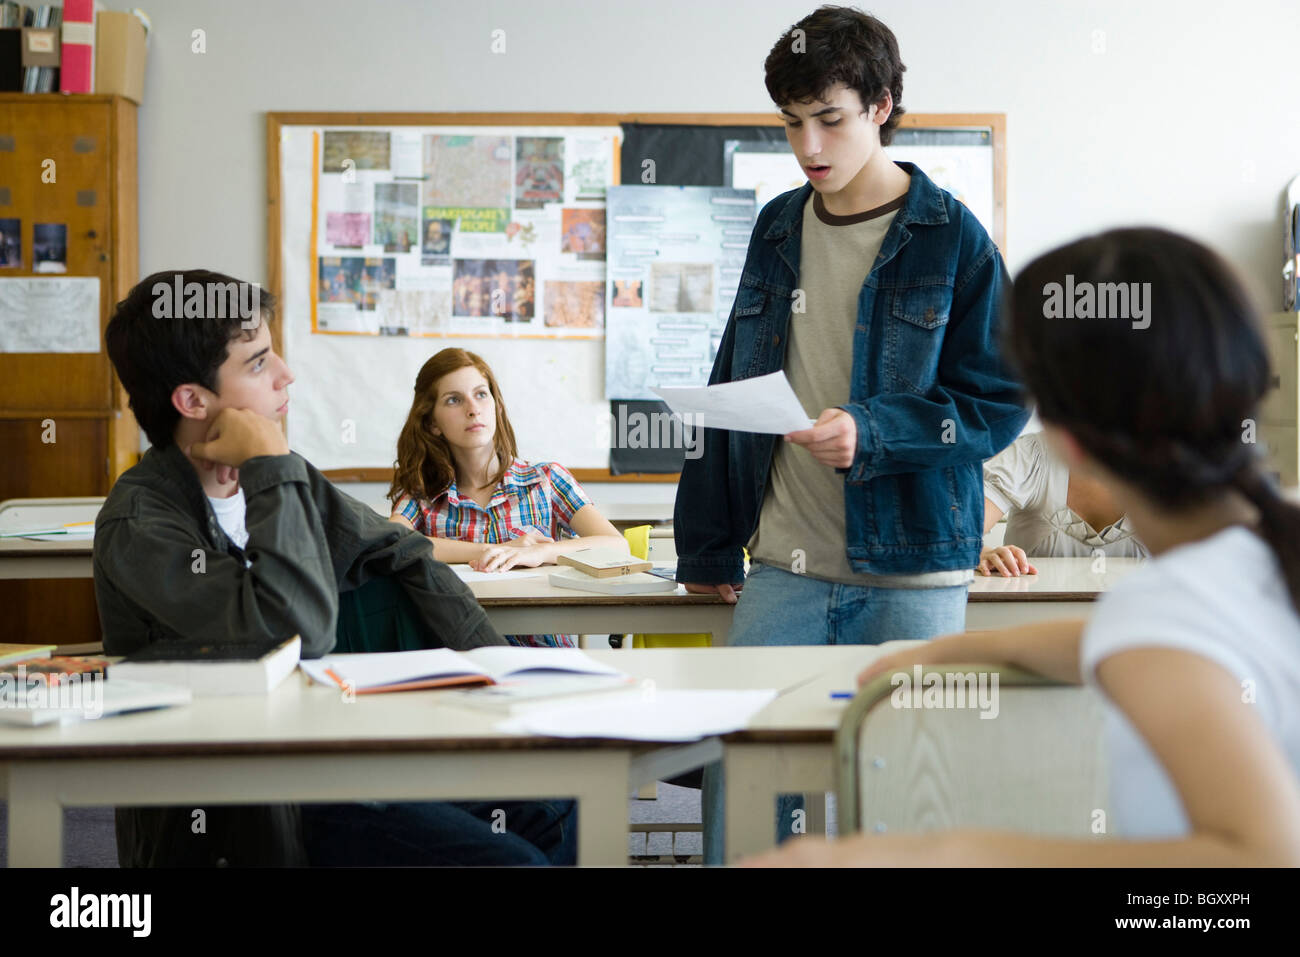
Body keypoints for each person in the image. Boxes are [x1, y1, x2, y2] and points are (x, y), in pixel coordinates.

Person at [747, 227, 1300, 867]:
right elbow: (1126, 644)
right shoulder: (1250, 559)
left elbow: (1256, 861)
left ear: (1062, 436)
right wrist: (952, 650)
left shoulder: (1165, 612)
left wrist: (924, 856)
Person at [671, 5, 1030, 863]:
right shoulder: (775, 225)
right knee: (745, 808)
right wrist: (710, 546)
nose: (808, 146)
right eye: (792, 123)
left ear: (883, 105)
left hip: (912, 569)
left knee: (907, 806)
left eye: (829, 118)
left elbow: (1000, 397)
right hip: (784, 568)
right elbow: (734, 381)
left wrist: (874, 432)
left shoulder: (953, 238)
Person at [96, 270, 575, 866]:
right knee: (512, 862)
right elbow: (295, 628)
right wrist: (269, 464)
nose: (286, 374)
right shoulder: (142, 521)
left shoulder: (286, 473)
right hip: (239, 799)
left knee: (556, 797)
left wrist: (503, 676)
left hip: (327, 748)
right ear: (193, 401)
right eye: (258, 362)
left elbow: (406, 554)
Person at [388, 347, 627, 648]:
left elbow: (617, 545)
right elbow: (394, 545)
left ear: (497, 406)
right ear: (433, 423)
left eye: (481, 394)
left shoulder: (547, 479)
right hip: (461, 659)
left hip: (544, 658)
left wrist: (538, 553)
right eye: (454, 400)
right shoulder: (423, 495)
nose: (473, 409)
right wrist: (495, 550)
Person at [977, 430, 1150, 577]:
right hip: (1033, 615)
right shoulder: (1032, 453)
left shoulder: (1165, 465)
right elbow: (958, 531)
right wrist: (980, 553)